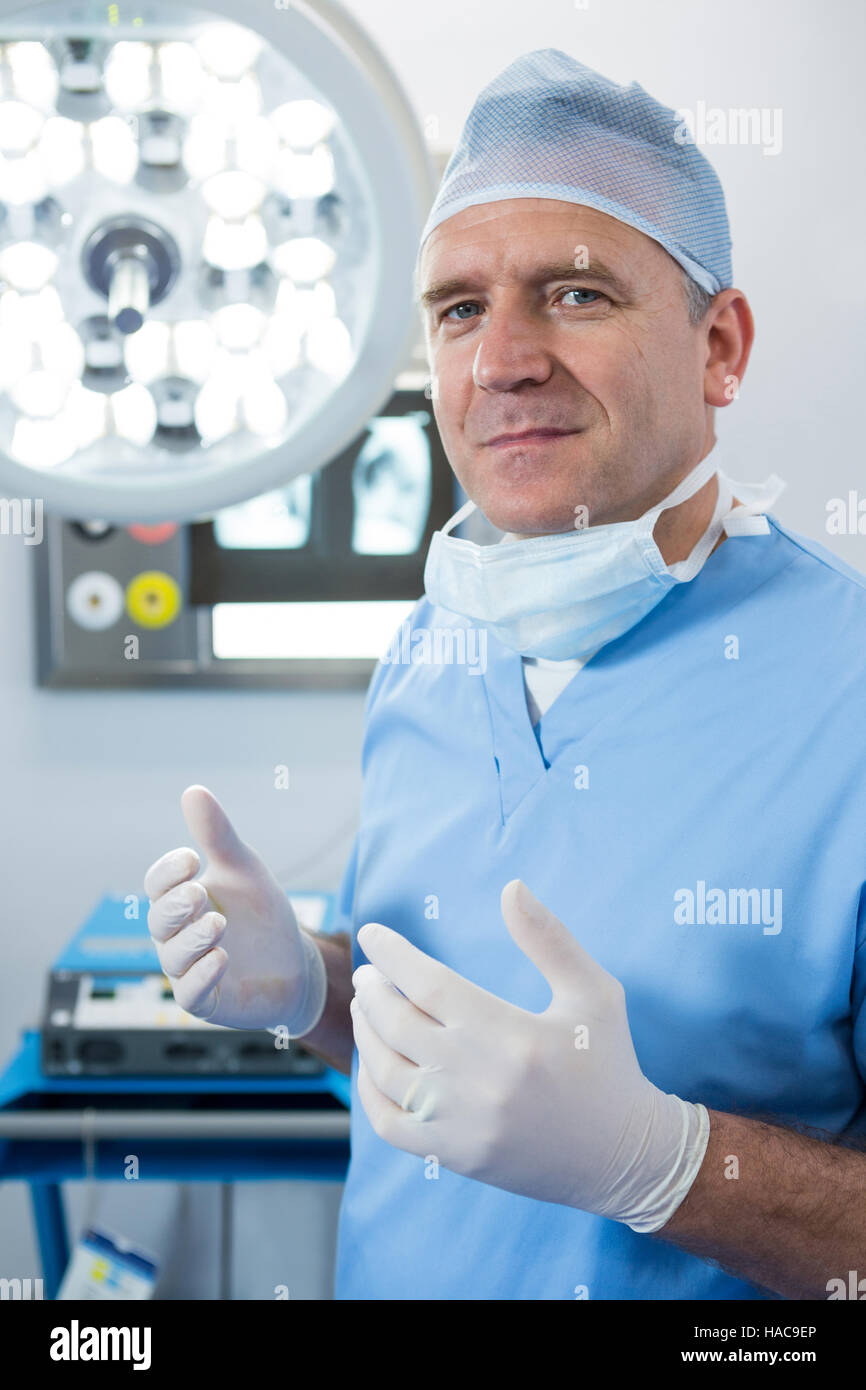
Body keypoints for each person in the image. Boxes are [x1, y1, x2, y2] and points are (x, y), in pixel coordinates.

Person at [144, 50, 866, 1300]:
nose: (501, 361)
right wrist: (307, 985)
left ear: (719, 347)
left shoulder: (841, 689)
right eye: (458, 309)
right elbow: (434, 1045)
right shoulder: (435, 644)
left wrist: (658, 1162)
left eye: (575, 294)